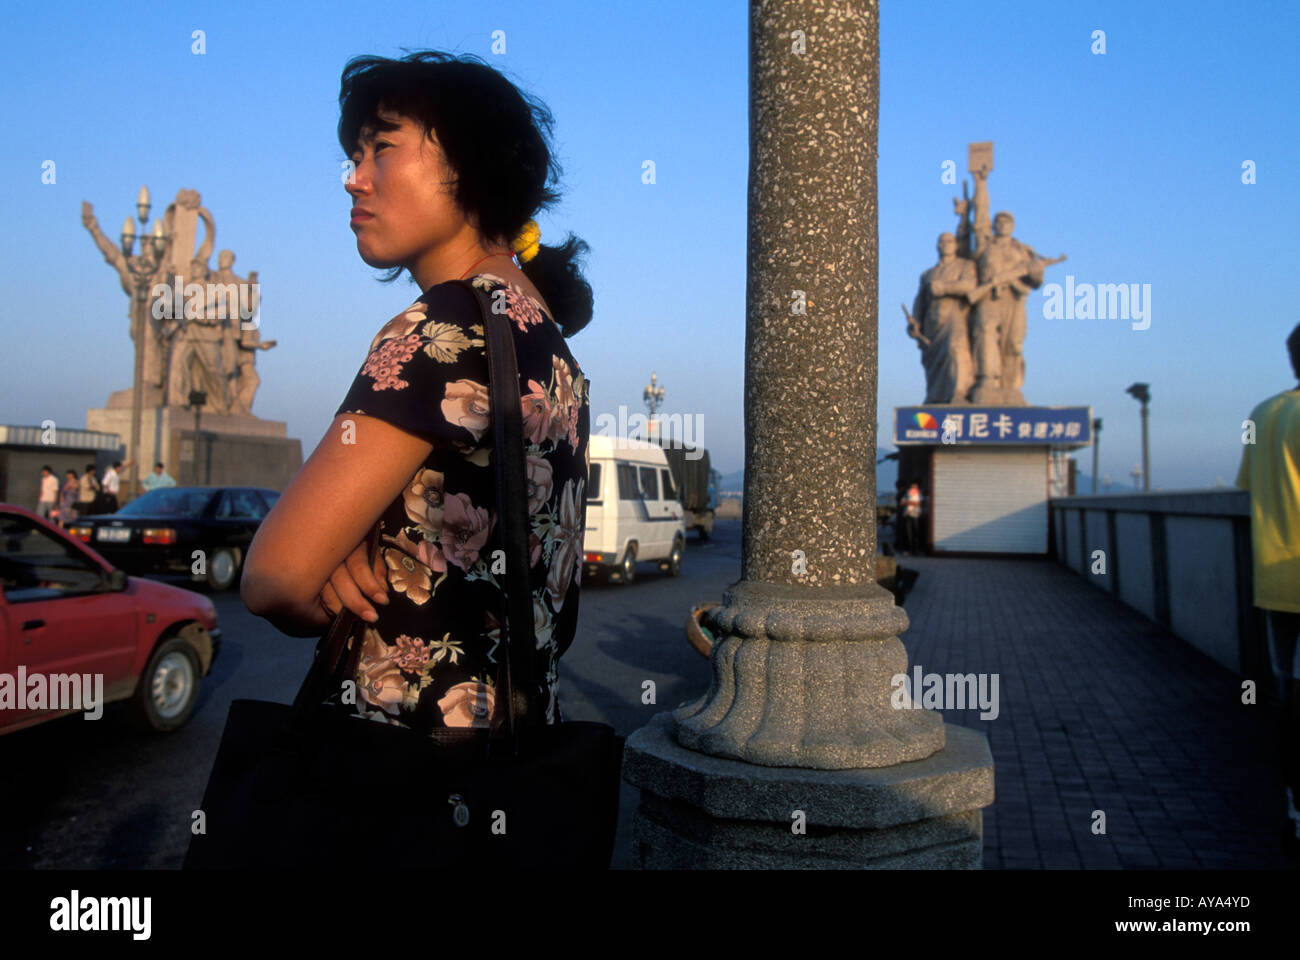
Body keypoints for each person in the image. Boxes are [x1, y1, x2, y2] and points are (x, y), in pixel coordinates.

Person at [241, 51, 594, 734]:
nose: (353, 178)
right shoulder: (549, 344)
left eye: (381, 148)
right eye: (353, 153)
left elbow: (274, 578)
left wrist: (339, 595)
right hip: (507, 746)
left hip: (395, 760)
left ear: (469, 161)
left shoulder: (445, 326)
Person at [1236, 322, 1300, 858]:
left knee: (1290, 701)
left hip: (1275, 581)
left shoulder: (1263, 413)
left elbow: (1248, 487)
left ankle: (1293, 809)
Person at [901, 482, 923, 555]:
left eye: (914, 487)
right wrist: (911, 502)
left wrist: (908, 502)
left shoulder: (919, 495)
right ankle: (909, 550)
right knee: (908, 533)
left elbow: (919, 503)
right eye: (912, 487)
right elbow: (902, 503)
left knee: (916, 532)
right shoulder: (907, 494)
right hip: (908, 514)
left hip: (916, 514)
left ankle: (916, 550)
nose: (913, 488)